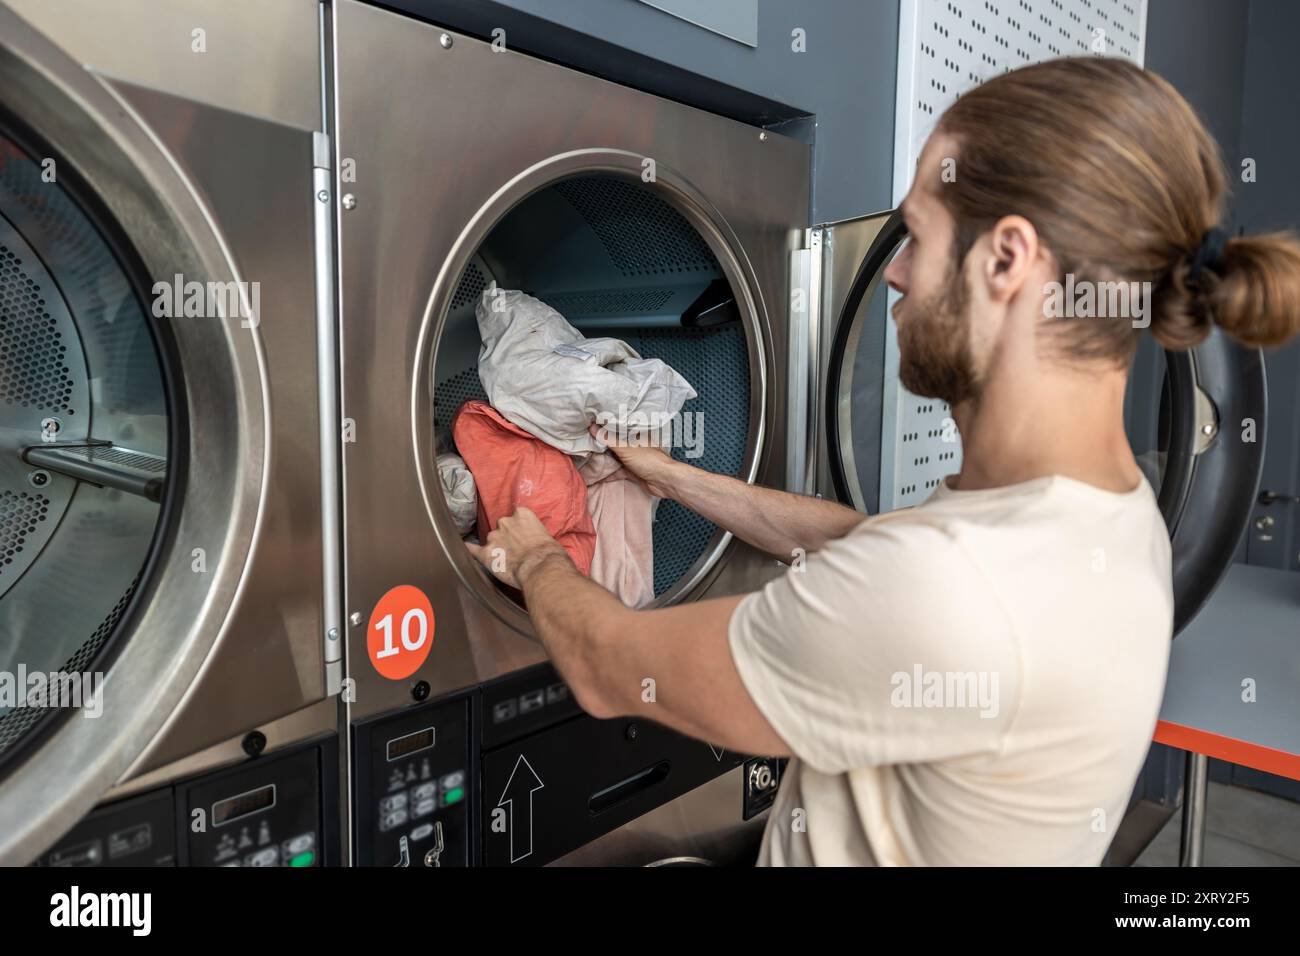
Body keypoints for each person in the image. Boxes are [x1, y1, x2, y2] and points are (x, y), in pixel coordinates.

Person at [467, 56, 1300, 865]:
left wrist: (538, 557)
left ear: (1006, 261)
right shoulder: (1111, 519)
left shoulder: (947, 592)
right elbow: (870, 539)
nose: (894, 273)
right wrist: (675, 476)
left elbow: (613, 668)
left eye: (919, 237)